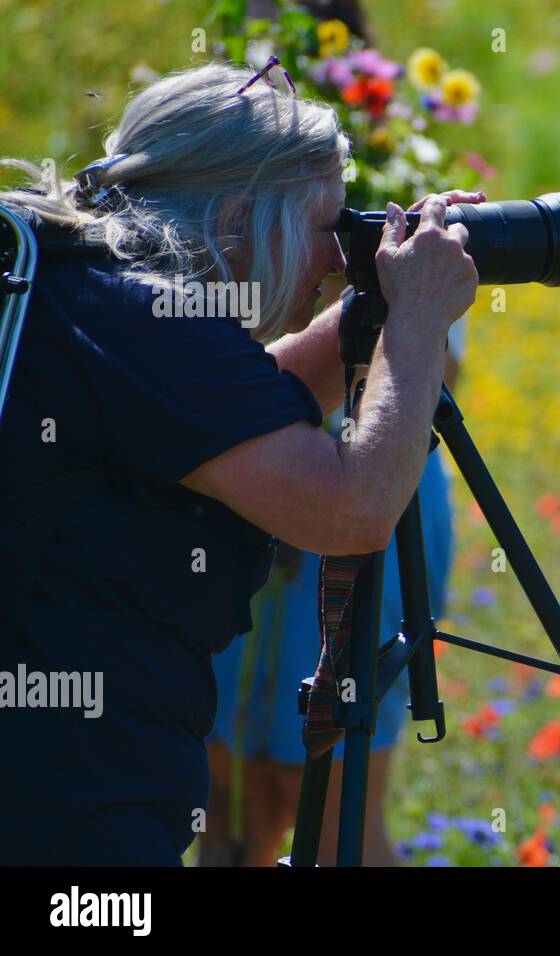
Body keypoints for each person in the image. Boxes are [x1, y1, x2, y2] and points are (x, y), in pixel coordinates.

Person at [0, 61, 483, 865]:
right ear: (237, 215)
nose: (336, 256)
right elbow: (351, 511)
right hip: (68, 799)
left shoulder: (86, 287)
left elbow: (226, 422)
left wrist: (379, 303)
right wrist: (422, 319)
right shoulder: (154, 323)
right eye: (328, 226)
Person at [202, 322, 466, 867]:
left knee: (331, 820)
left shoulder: (405, 242)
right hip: (234, 468)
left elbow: (437, 372)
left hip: (367, 472)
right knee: (229, 803)